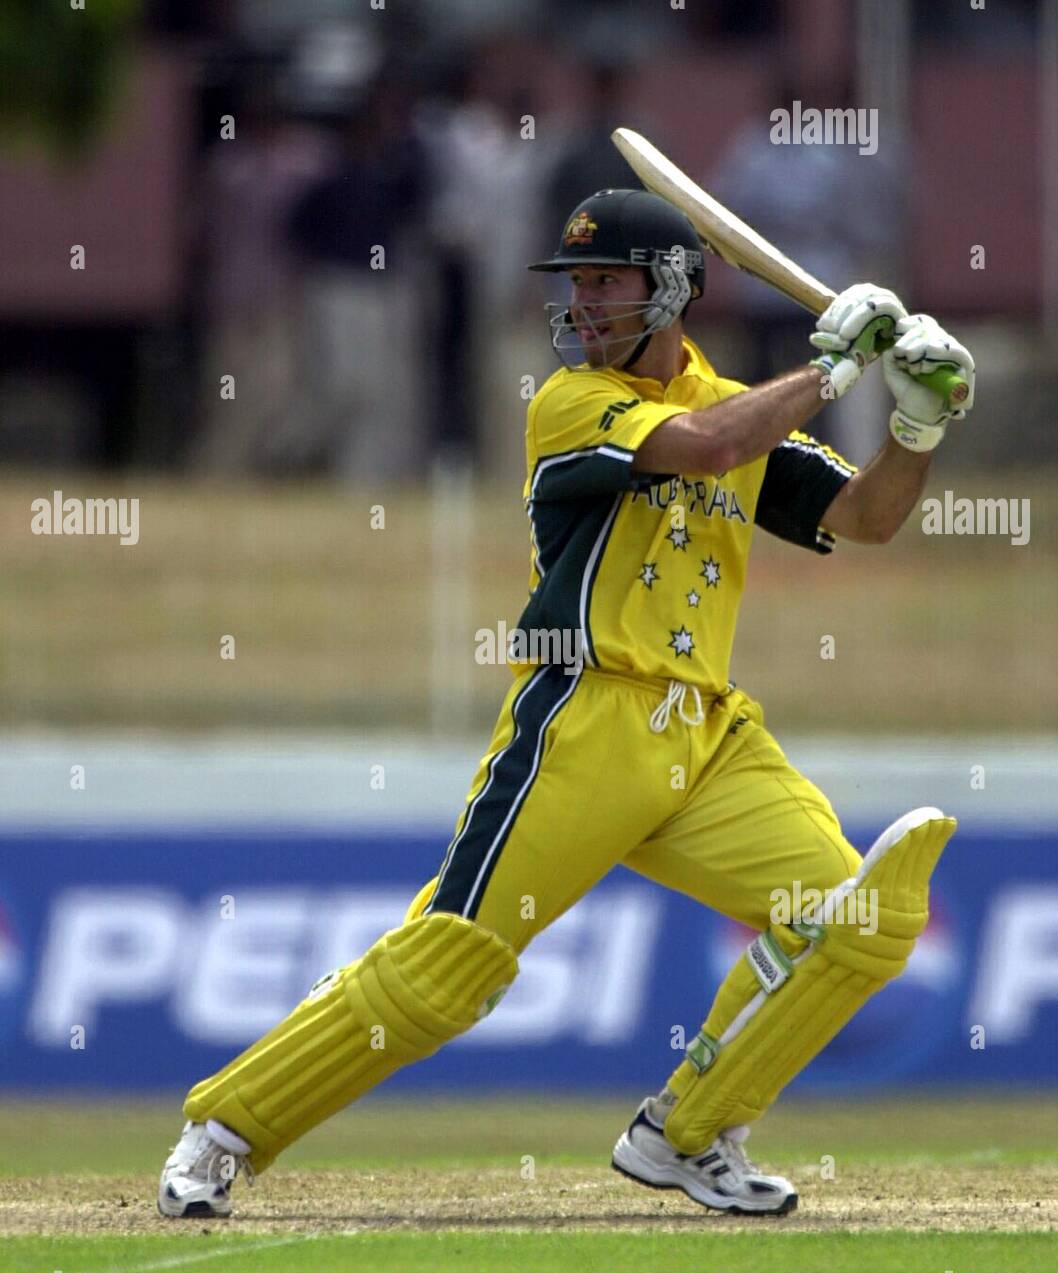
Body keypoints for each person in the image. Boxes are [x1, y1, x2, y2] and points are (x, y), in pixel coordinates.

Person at [157, 188, 975, 1219]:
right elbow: (708, 447)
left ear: (670, 287)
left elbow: (865, 516)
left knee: (854, 919)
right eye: (574, 284)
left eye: (605, 281)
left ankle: (685, 1134)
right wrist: (832, 369)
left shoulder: (734, 400)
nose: (582, 305)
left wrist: (917, 417)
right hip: (581, 719)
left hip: (705, 736)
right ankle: (221, 1130)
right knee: (450, 964)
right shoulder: (572, 402)